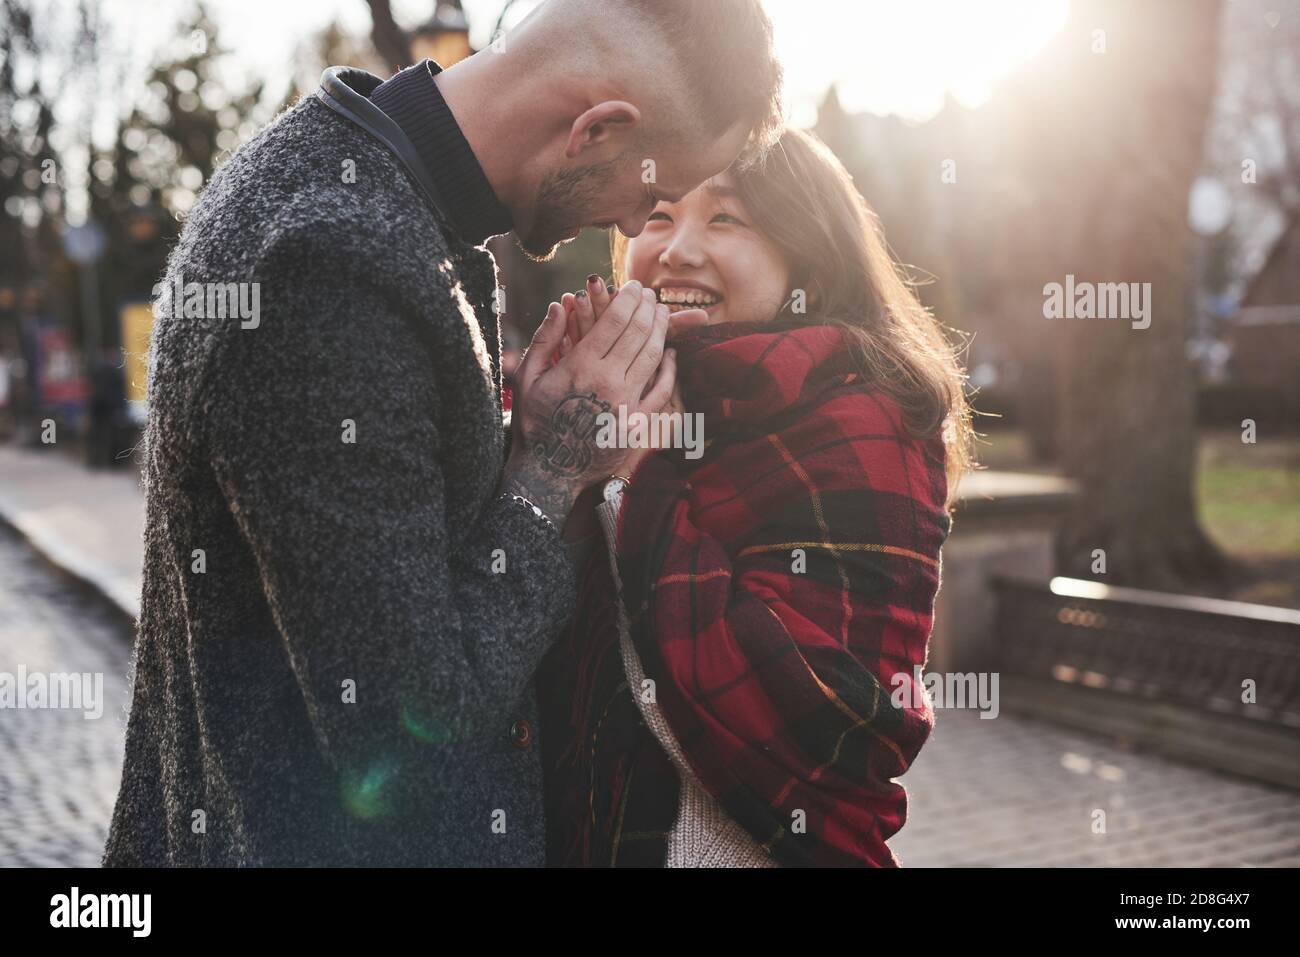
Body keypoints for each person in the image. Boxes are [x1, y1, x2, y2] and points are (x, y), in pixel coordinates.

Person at [104, 0, 783, 867]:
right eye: (649, 192)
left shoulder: (359, 189)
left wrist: (526, 439)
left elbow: (387, 563)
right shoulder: (330, 264)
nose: (627, 226)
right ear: (598, 129)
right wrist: (554, 468)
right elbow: (408, 736)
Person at [539, 127, 974, 867]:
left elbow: (801, 728)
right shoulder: (636, 398)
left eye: (725, 218)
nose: (675, 248)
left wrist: (633, 465)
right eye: (658, 216)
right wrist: (552, 449)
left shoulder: (865, 418)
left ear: (806, 251)